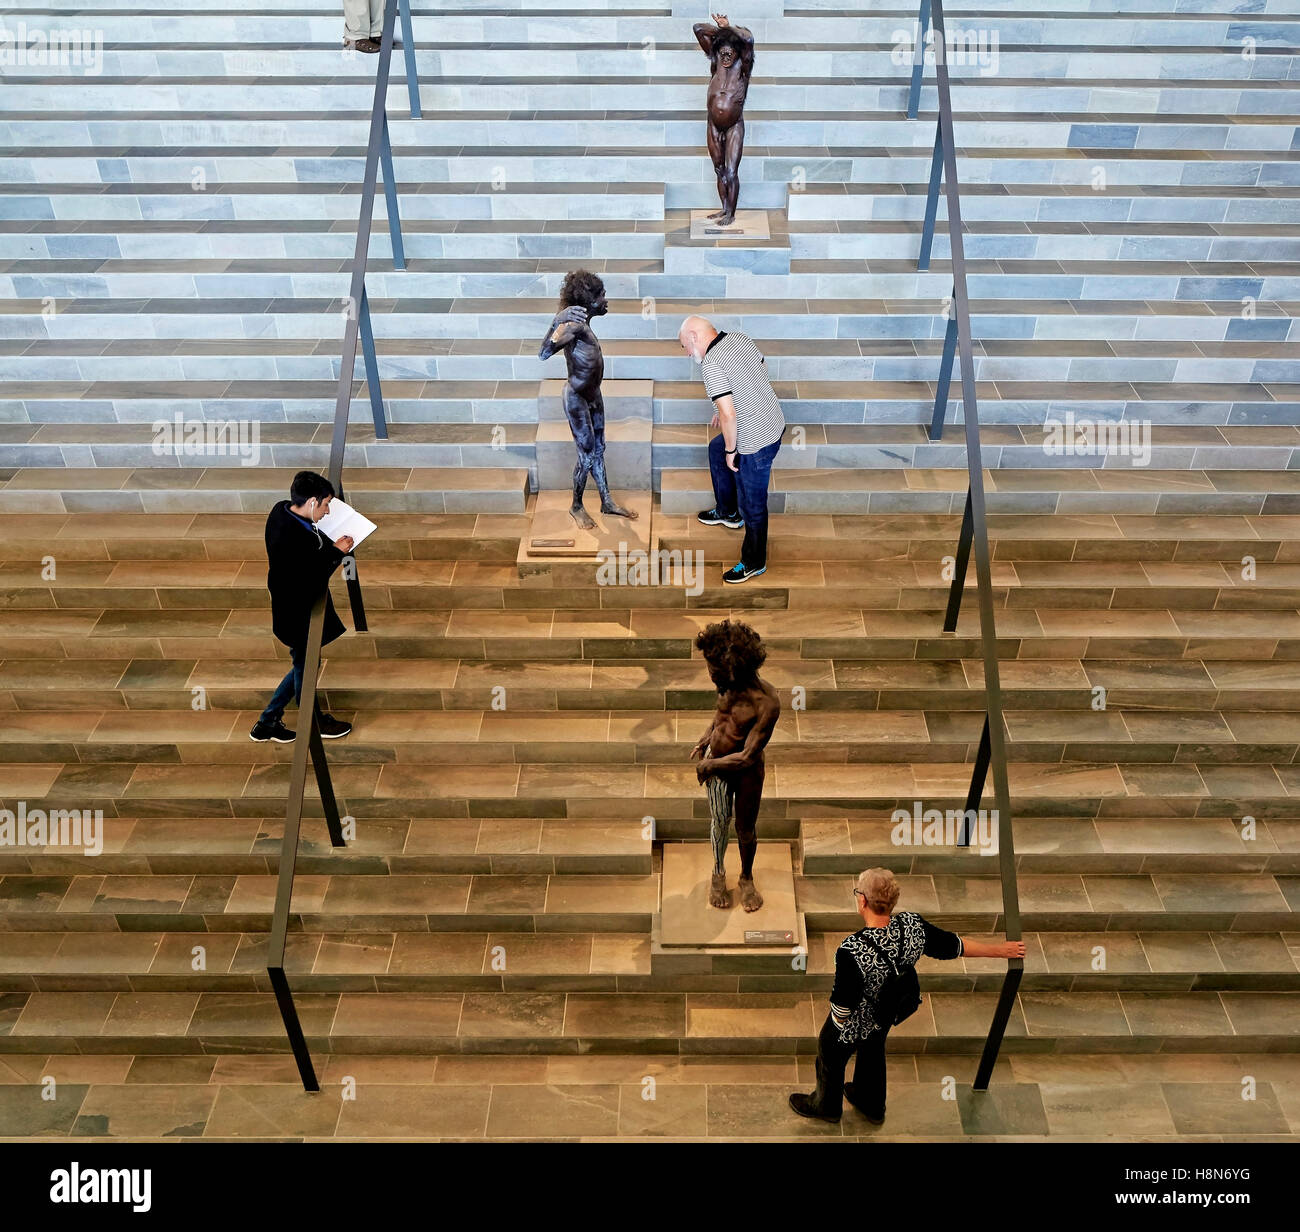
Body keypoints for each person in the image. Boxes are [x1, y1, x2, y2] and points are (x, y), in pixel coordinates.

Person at [790, 867, 1026, 1125]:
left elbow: (843, 1006)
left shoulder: (851, 950)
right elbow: (954, 946)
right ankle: (871, 1104)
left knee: (830, 1054)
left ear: (862, 901)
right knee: (873, 1049)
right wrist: (1000, 950)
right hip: (888, 1010)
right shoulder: (913, 925)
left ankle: (826, 1106)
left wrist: (835, 1029)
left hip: (858, 1018)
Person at [249, 471, 355, 743]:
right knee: (305, 665)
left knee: (304, 663)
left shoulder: (281, 511)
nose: (327, 510)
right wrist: (336, 552)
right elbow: (308, 575)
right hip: (297, 613)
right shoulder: (291, 536)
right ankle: (311, 720)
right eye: (325, 504)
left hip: (289, 607)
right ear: (310, 502)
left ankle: (267, 722)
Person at [679, 315, 784, 583]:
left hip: (756, 442)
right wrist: (728, 409)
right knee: (715, 450)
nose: (688, 353)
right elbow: (760, 366)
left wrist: (731, 448)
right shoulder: (739, 338)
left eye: (685, 347)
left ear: (693, 336)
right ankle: (728, 512)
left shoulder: (711, 364)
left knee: (754, 503)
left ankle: (753, 561)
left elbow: (728, 415)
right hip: (774, 421)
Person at [690, 620, 780, 911]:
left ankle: (746, 877)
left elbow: (747, 757)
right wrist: (706, 739)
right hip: (717, 762)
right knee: (719, 822)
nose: (710, 675)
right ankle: (718, 874)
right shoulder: (726, 683)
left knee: (745, 829)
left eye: (713, 670)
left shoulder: (766, 702)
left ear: (735, 669)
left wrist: (709, 766)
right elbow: (720, 718)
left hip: (745, 774)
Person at [538, 270, 638, 530]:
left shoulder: (585, 325)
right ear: (588, 301)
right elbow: (543, 353)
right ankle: (576, 506)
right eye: (601, 295)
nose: (606, 300)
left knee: (599, 449)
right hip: (577, 399)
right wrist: (556, 320)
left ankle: (606, 501)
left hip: (593, 395)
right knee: (586, 455)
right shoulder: (572, 326)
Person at [692, 14, 755, 225]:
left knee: (730, 170)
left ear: (736, 53)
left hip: (733, 124)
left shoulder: (744, 63)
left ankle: (731, 213)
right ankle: (723, 209)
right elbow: (698, 28)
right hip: (713, 123)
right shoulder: (716, 58)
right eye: (723, 53)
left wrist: (729, 28)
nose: (726, 58)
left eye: (730, 54)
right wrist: (721, 34)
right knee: (719, 170)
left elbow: (748, 39)